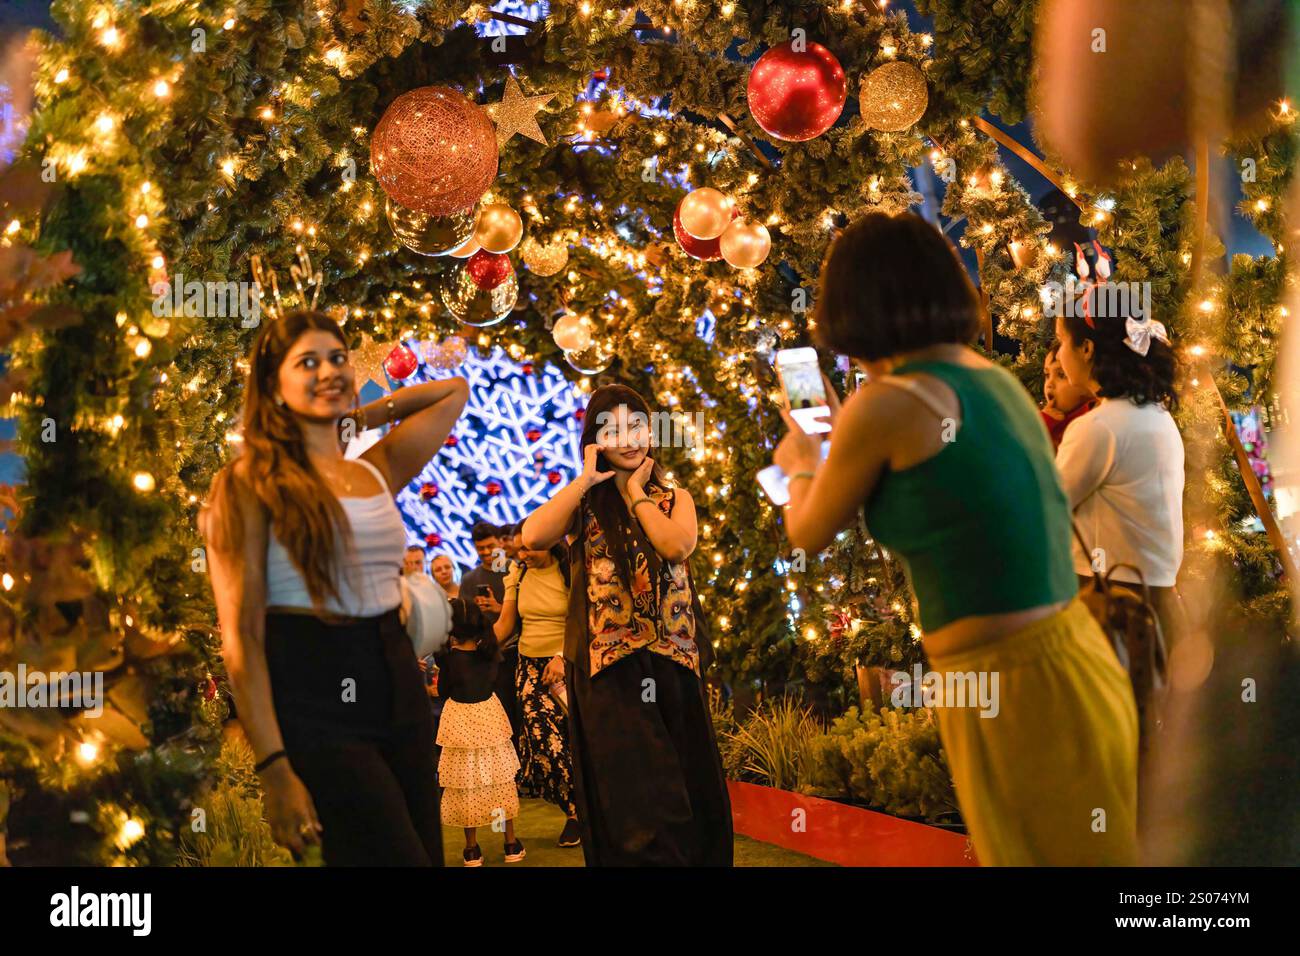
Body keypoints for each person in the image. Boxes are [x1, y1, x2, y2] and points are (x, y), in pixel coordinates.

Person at [772, 212, 1137, 866]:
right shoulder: (987, 377)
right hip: (1071, 660)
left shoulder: (886, 403)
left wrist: (801, 458)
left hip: (1014, 688)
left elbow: (808, 529)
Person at [201, 310, 469, 866]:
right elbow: (242, 636)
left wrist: (352, 421)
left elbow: (452, 392)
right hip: (317, 697)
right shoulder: (246, 483)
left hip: (397, 681)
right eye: (307, 363)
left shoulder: (372, 469)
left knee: (425, 850)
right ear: (273, 384)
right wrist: (274, 766)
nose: (329, 371)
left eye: (338, 358)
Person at [522, 384, 733, 866]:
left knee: (682, 786)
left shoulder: (676, 496)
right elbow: (532, 534)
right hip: (609, 670)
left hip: (672, 665)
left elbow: (676, 547)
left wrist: (636, 492)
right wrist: (584, 481)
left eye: (637, 425)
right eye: (612, 429)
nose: (628, 438)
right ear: (595, 439)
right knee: (634, 799)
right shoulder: (585, 503)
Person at [1053, 288, 1186, 641]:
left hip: (1110, 606)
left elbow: (1045, 508)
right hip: (1159, 602)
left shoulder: (1098, 428)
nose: (1058, 354)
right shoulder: (1157, 415)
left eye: (1061, 341)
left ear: (1086, 348)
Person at [493, 539, 581, 848]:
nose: (523, 555)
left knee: (574, 740)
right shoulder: (516, 573)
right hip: (528, 667)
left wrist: (561, 656)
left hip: (568, 663)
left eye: (529, 548)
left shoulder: (571, 570)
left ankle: (590, 808)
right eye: (519, 550)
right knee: (541, 737)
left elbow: (581, 622)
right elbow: (505, 624)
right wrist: (473, 646)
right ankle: (575, 810)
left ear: (549, 543)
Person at [436, 597, 524, 866]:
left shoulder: (450, 659)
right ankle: (510, 843)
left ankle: (471, 849)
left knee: (466, 783)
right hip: (489, 716)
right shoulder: (491, 653)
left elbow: (442, 691)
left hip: (459, 719)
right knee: (498, 780)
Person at [460, 521, 521, 742]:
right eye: (481, 548)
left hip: (516, 653)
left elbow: (528, 613)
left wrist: (500, 608)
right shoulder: (469, 580)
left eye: (490, 547)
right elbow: (464, 621)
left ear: (501, 543)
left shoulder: (517, 569)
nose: (486, 553)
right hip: (484, 659)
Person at [1040, 339, 1097, 450]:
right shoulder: (1044, 420)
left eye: (1061, 375)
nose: (1049, 384)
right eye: (1047, 375)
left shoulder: (1089, 422)